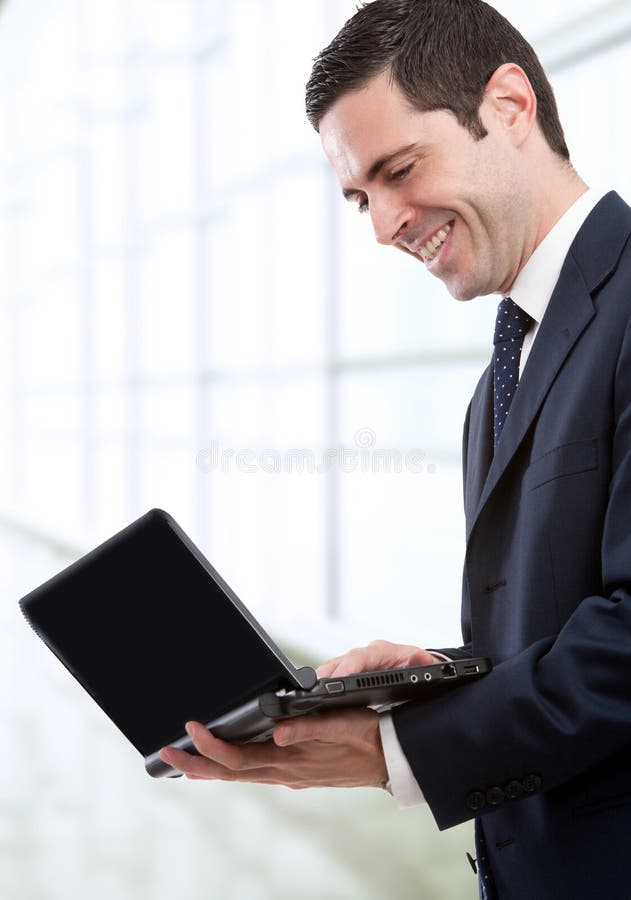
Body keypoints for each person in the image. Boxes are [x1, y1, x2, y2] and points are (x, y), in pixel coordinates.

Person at [159, 1, 631, 895]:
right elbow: (569, 623)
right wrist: (442, 680)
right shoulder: (503, 373)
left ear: (507, 107)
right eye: (357, 196)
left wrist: (397, 750)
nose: (381, 226)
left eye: (397, 170)